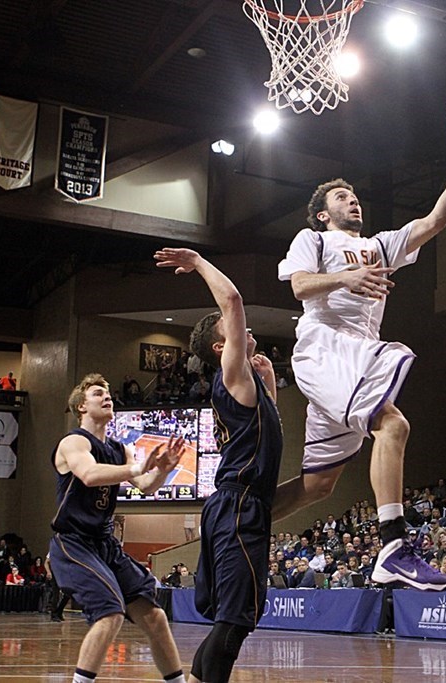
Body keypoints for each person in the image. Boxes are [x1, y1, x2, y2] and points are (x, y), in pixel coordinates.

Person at [272, 126, 446, 592]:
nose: (352, 201)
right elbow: (298, 286)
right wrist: (346, 277)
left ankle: (238, 521)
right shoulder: (313, 241)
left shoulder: (379, 245)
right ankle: (393, 549)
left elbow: (435, 221)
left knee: (318, 487)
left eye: (354, 195)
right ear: (323, 213)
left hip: (354, 354)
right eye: (342, 197)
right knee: (392, 424)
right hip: (325, 347)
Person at [154, 247, 286, 683]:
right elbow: (232, 300)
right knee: (233, 624)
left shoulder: (246, 385)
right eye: (229, 330)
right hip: (237, 505)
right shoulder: (231, 375)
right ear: (220, 344)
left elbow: (266, 438)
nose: (238, 326)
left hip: (238, 505)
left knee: (232, 621)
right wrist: (197, 263)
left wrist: (269, 386)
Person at [48, 373, 186, 683]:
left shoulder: (120, 449)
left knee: (155, 617)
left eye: (108, 393)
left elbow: (147, 486)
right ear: (82, 406)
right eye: (98, 393)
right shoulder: (73, 442)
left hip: (104, 544)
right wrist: (138, 467)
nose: (107, 396)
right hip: (74, 542)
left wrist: (162, 471)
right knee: (110, 613)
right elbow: (89, 474)